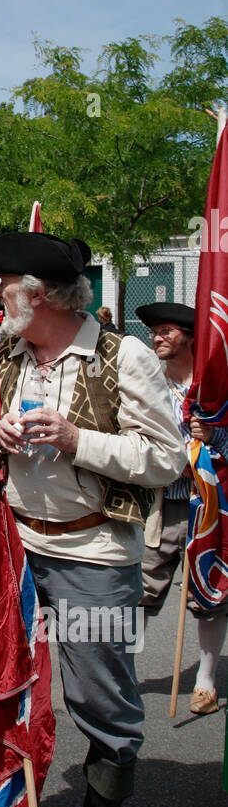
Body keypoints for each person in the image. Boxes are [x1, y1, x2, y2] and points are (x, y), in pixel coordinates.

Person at [0, 232, 186, 807]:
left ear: (41, 295)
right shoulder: (3, 353)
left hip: (94, 554)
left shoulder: (122, 357)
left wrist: (79, 440)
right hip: (16, 549)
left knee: (99, 698)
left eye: (8, 289)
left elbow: (166, 461)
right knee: (8, 685)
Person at [135, 302, 227, 715]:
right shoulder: (147, 385)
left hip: (206, 506)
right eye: (154, 330)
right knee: (141, 589)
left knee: (207, 597)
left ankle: (205, 680)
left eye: (166, 330)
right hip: (162, 506)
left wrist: (214, 436)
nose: (156, 336)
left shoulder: (216, 390)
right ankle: (120, 673)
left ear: (190, 335)